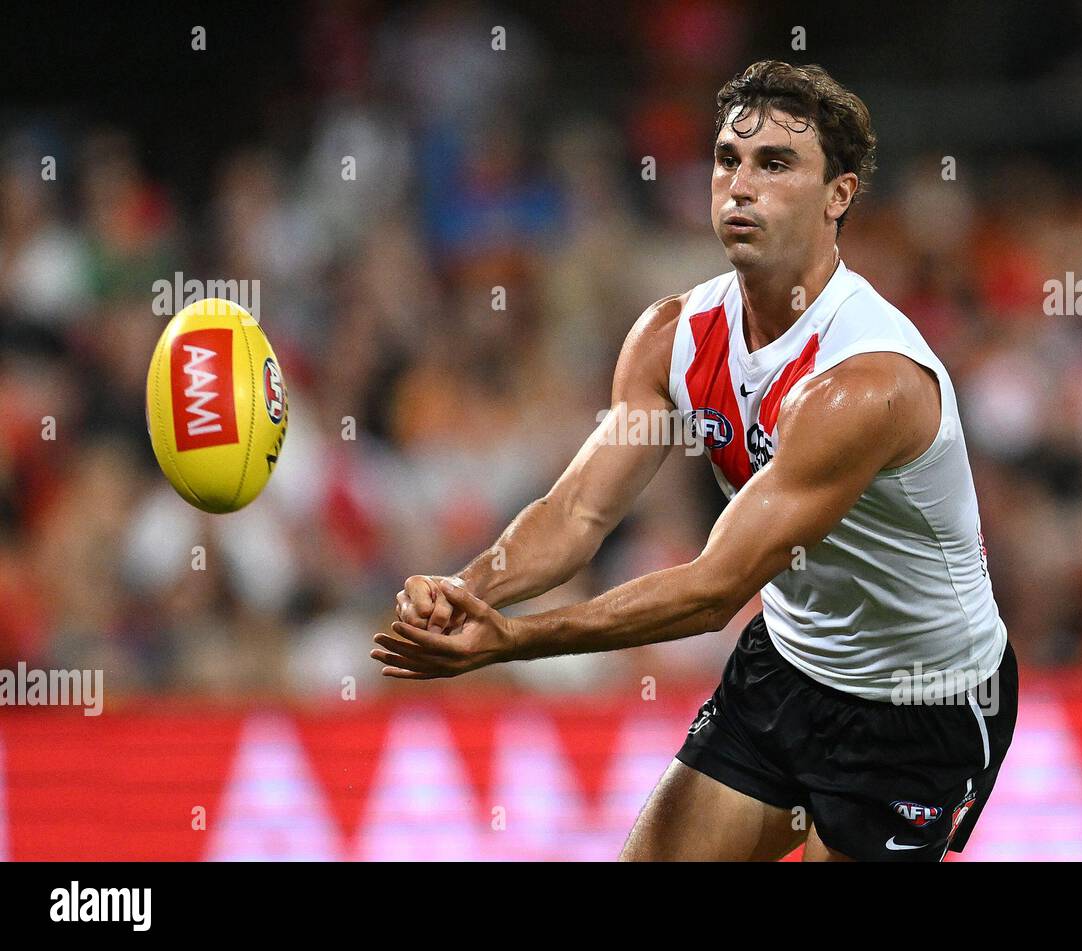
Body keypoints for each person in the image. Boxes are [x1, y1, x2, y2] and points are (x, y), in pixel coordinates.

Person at [372, 60, 1017, 861]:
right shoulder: (671, 333)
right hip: (790, 666)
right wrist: (467, 591)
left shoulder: (865, 381)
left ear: (838, 195)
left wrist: (512, 640)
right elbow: (577, 515)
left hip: (921, 703)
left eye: (775, 164)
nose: (740, 184)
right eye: (727, 160)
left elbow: (713, 592)